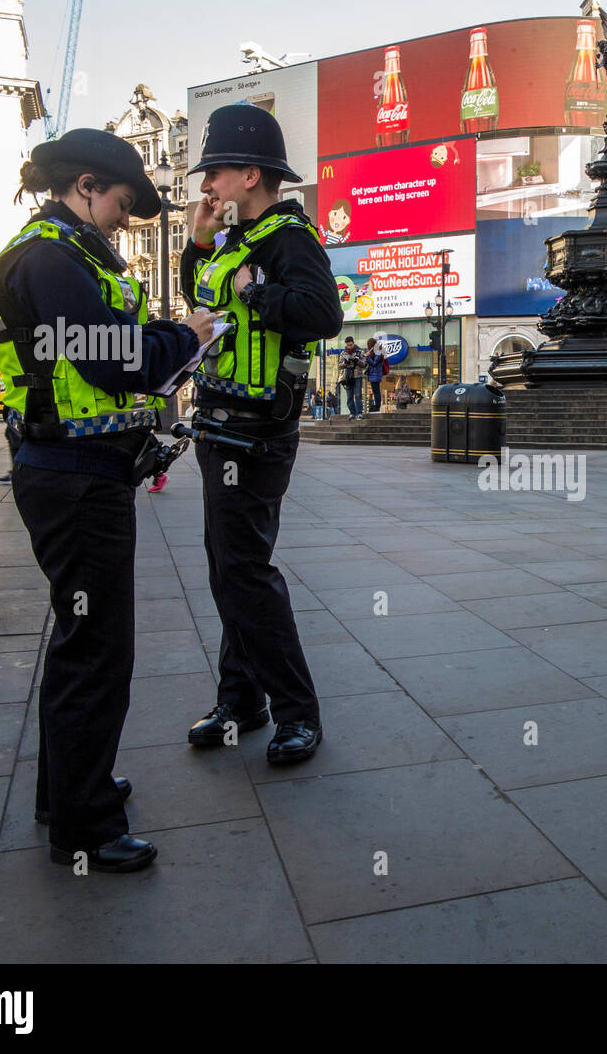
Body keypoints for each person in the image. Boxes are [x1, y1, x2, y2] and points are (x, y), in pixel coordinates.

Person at [0, 128, 214, 872]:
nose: (123, 217)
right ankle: (84, 826)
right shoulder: (53, 259)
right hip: (77, 480)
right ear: (86, 184)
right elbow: (123, 363)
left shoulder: (59, 253)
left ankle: (69, 789)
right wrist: (186, 336)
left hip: (75, 473)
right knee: (99, 651)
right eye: (119, 201)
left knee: (79, 643)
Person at [181, 102, 343, 764]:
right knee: (230, 569)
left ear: (250, 174)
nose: (206, 185)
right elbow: (202, 303)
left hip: (259, 432)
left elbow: (322, 314)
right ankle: (240, 699)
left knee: (244, 571)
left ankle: (295, 711)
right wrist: (197, 246)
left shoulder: (287, 239)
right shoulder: (232, 238)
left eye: (215, 172)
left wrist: (254, 292)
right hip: (221, 422)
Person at [338, 337, 365, 419]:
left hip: (357, 376)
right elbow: (339, 366)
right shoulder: (343, 353)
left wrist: (358, 361)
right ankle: (352, 413)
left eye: (351, 345)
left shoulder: (360, 352)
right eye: (348, 345)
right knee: (349, 396)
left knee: (358, 395)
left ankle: (359, 413)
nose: (349, 347)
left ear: (353, 343)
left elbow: (365, 364)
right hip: (348, 377)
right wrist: (345, 363)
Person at [364, 338, 388, 412]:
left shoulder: (378, 352)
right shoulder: (374, 352)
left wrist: (367, 357)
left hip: (376, 375)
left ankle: (377, 406)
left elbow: (374, 363)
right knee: (375, 391)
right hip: (373, 375)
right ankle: (376, 405)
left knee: (376, 391)